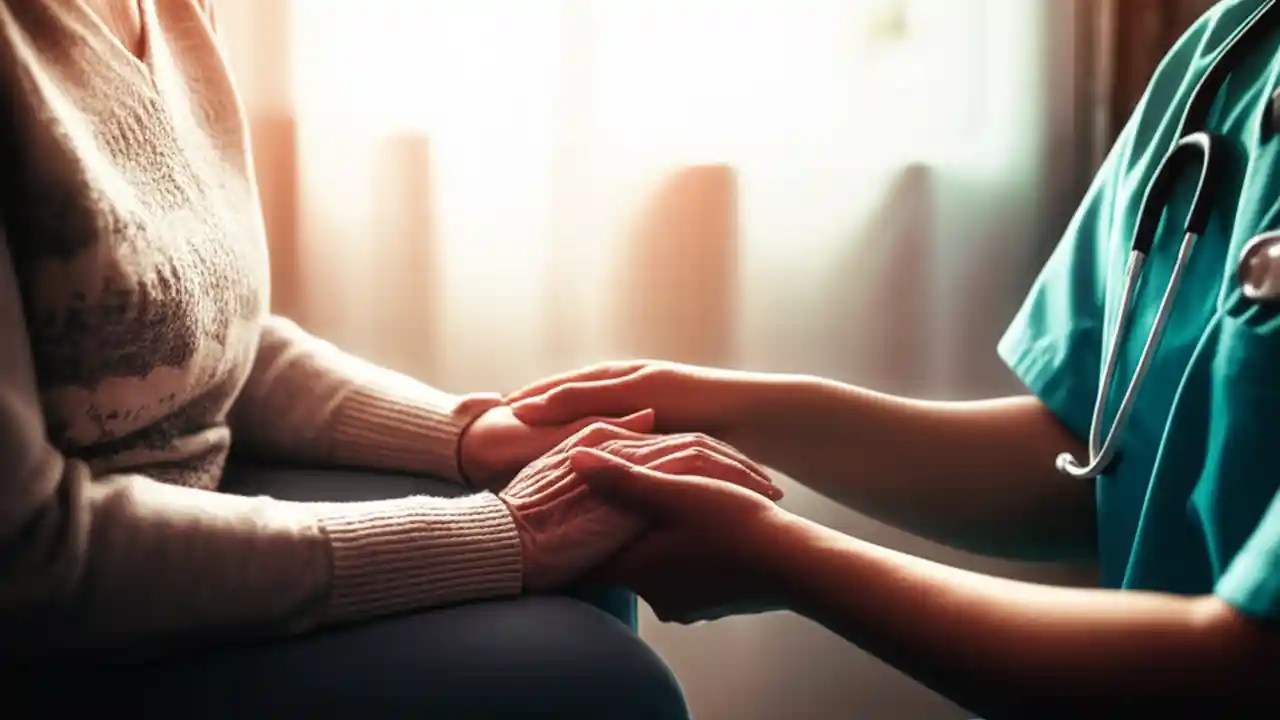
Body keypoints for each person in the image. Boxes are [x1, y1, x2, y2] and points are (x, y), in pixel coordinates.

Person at [0, 2, 778, 716]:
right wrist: (502, 534)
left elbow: (203, 336)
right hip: (65, 608)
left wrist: (471, 432)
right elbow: (27, 559)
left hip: (185, 499)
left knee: (598, 564)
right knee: (615, 688)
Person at [505, 1, 1280, 716]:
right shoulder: (1229, 52)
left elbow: (1240, 667)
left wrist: (782, 558)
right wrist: (716, 408)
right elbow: (1094, 460)